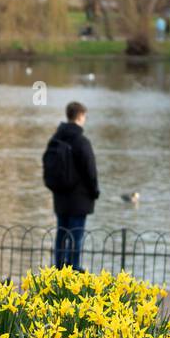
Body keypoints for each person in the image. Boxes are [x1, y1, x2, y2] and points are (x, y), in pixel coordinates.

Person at [43, 101, 99, 271]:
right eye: (85, 116)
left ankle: (58, 266)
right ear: (80, 116)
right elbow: (90, 170)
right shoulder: (81, 141)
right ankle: (73, 267)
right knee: (76, 234)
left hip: (60, 196)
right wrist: (94, 191)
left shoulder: (55, 139)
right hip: (79, 198)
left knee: (61, 232)